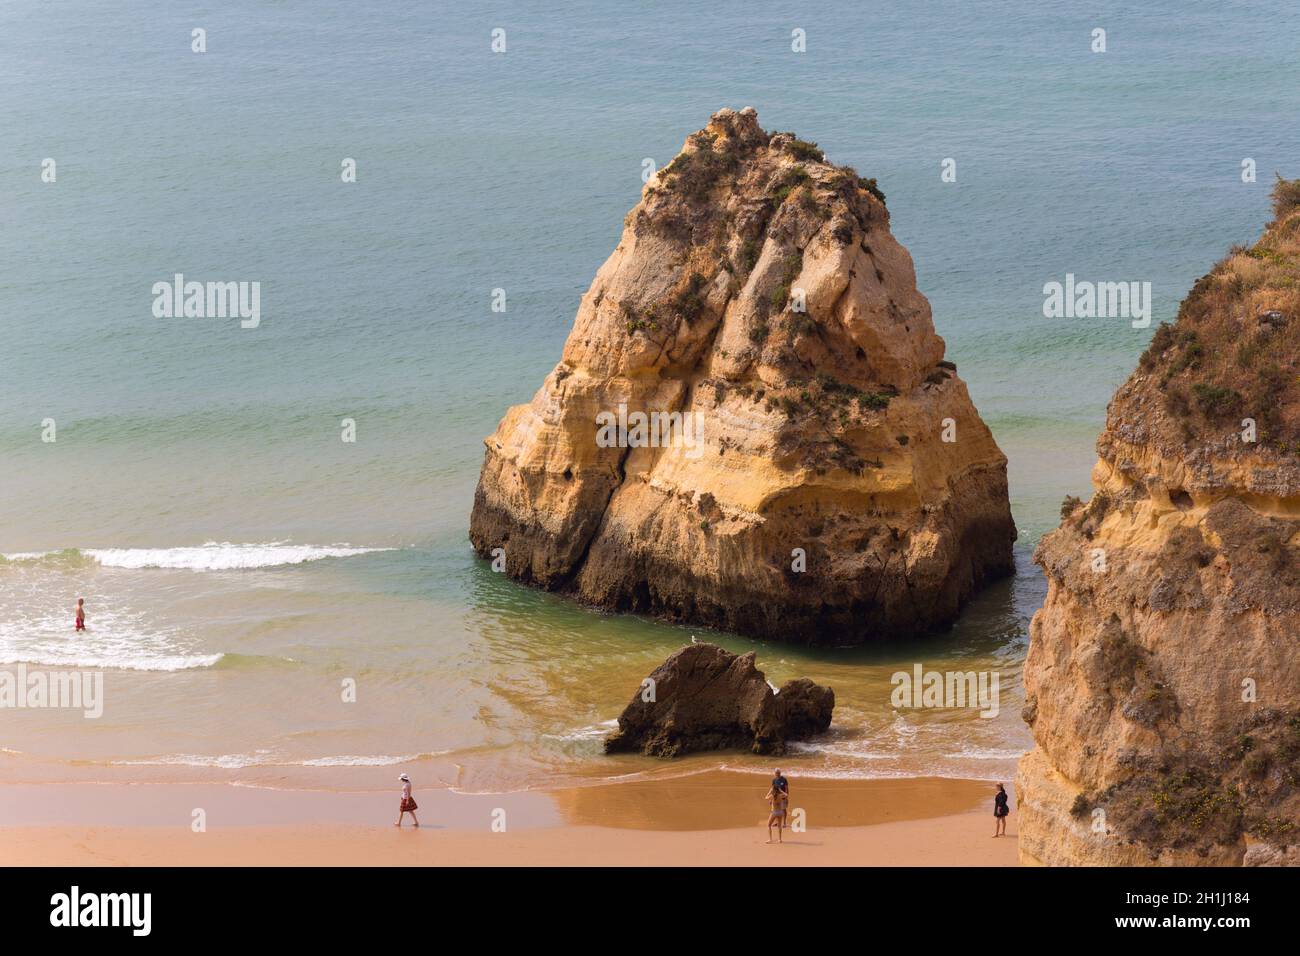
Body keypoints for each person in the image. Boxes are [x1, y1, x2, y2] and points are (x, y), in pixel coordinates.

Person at [765, 775, 789, 844]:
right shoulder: (781, 795)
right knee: (779, 826)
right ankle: (780, 839)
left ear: (774, 789)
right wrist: (781, 790)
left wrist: (770, 791)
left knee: (769, 825)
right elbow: (786, 795)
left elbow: (766, 797)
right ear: (778, 789)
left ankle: (770, 839)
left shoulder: (772, 796)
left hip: (774, 812)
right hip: (780, 812)